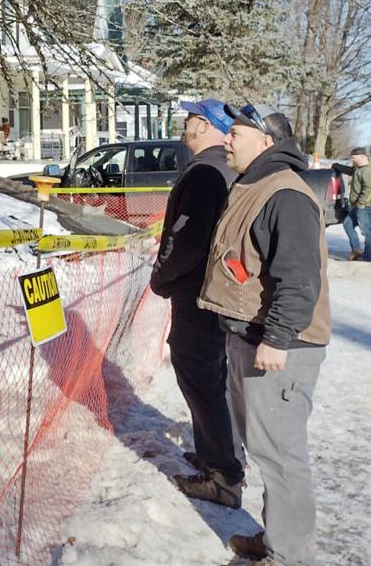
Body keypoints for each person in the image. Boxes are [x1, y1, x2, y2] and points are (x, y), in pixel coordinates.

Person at [198, 104, 329, 566]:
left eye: (235, 133)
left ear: (265, 142)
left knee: (281, 455)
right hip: (251, 338)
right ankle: (278, 540)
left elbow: (299, 279)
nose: (226, 140)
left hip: (278, 347)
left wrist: (276, 339)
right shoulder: (255, 184)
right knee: (266, 448)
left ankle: (290, 555)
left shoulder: (285, 195)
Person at [150, 99, 243, 507]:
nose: (184, 124)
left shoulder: (206, 172)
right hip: (211, 290)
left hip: (199, 293)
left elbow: (186, 240)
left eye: (189, 118)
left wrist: (162, 276)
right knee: (210, 377)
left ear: (204, 124)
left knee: (202, 378)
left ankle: (223, 475)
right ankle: (218, 456)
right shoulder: (221, 168)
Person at [332, 146, 371, 261]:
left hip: (367, 206)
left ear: (363, 156)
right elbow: (351, 171)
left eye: (354, 157)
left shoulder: (369, 170)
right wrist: (337, 166)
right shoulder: (358, 168)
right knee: (348, 223)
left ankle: (368, 258)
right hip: (358, 205)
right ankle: (357, 250)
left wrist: (362, 202)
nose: (353, 160)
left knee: (367, 231)